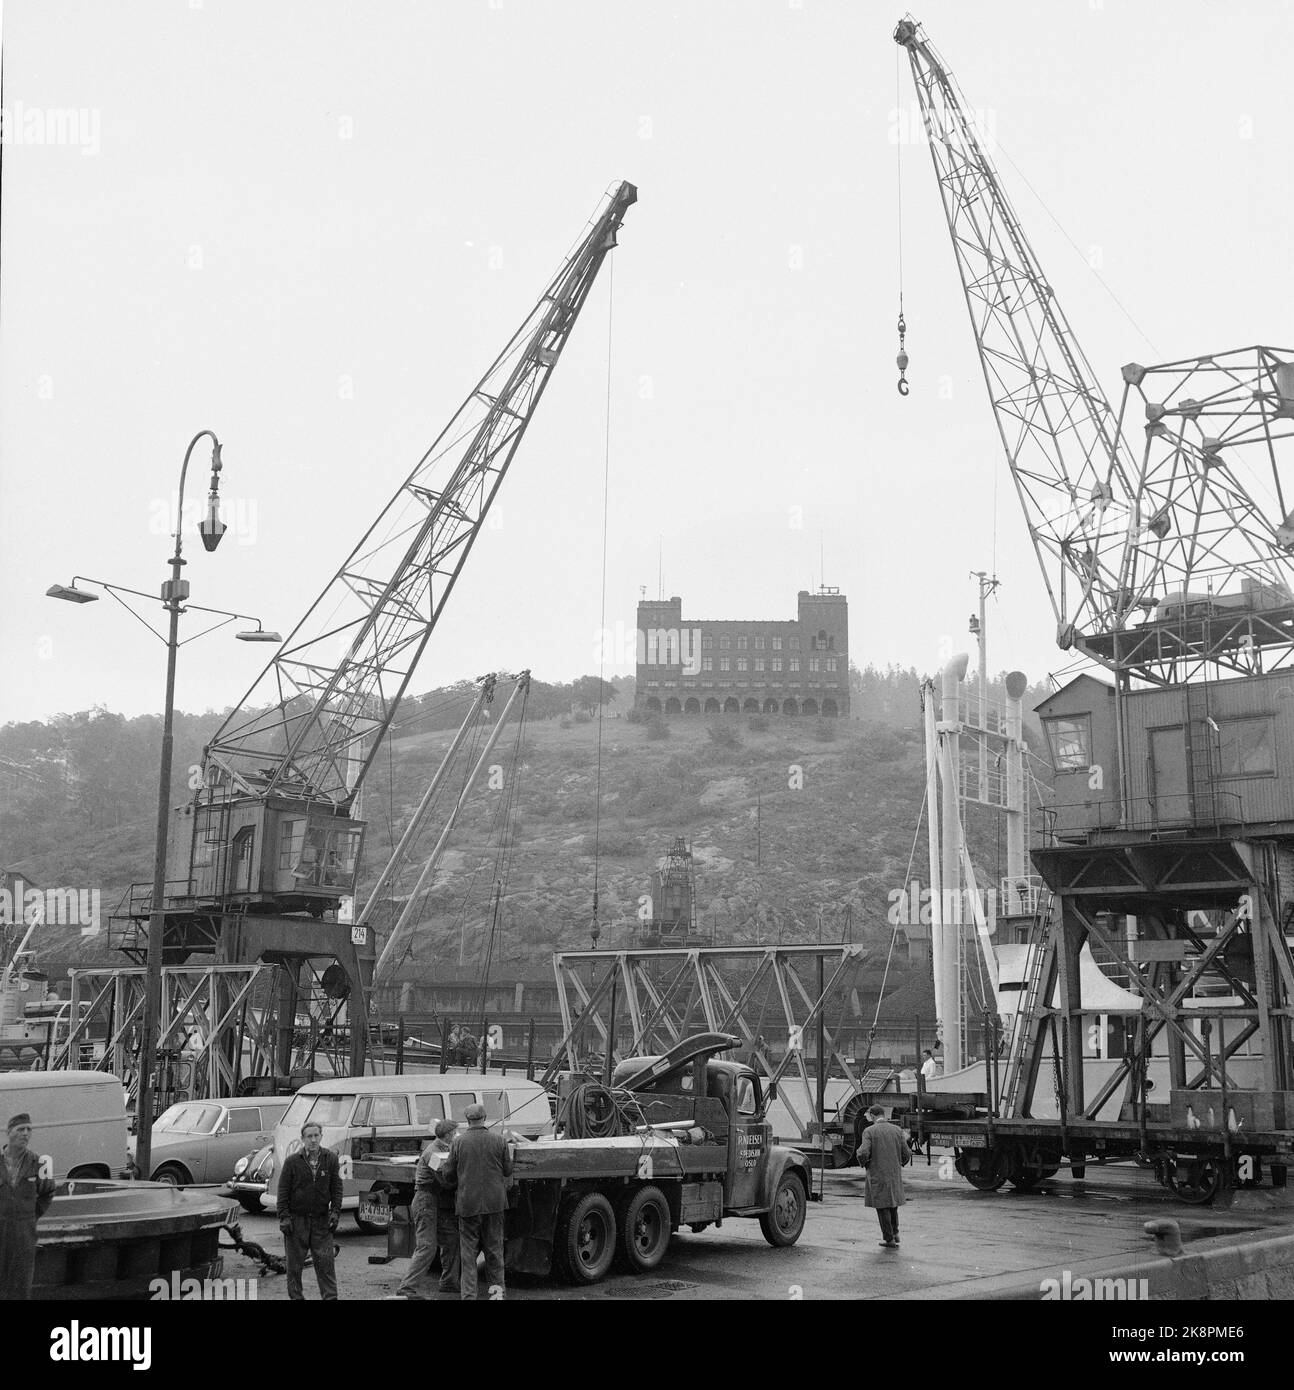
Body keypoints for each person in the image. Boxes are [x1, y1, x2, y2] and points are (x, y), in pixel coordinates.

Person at [442, 1102, 513, 1300]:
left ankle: (469, 1297)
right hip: (494, 1205)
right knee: (495, 1254)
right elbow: (508, 1170)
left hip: (468, 1205)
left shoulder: (458, 1142)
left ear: (467, 1121)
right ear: (485, 1118)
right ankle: (496, 1296)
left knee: (468, 1256)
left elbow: (448, 1174)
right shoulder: (499, 1141)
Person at [277, 1120, 342, 1300]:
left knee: (326, 1265)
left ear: (321, 1136)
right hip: (297, 1221)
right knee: (294, 1267)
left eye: (316, 1136)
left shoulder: (330, 1159)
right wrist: (284, 1217)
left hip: (322, 1221)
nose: (313, 1140)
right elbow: (282, 1191)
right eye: (309, 1136)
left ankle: (330, 1298)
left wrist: (335, 1212)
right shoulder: (292, 1162)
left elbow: (337, 1188)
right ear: (302, 1139)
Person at [395, 1118, 459, 1299]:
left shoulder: (445, 1149)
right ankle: (406, 1289)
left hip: (435, 1202)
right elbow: (445, 1181)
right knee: (427, 1247)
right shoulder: (433, 1153)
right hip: (426, 1201)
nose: (456, 1136)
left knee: (452, 1239)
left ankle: (449, 1282)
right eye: (455, 1133)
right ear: (448, 1135)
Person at [0, 1113, 56, 1300]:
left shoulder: (39, 1163)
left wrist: (32, 1215)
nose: (25, 1134)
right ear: (9, 1132)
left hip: (24, 1232)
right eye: (20, 1129)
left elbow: (48, 1192)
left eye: (28, 1129)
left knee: (21, 1281)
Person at [856, 1104, 911, 1249]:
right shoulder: (897, 1130)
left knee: (882, 1207)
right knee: (893, 1204)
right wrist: (899, 1164)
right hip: (893, 1174)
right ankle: (896, 1233)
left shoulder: (869, 1131)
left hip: (877, 1174)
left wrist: (865, 1164)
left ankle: (889, 1239)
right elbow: (907, 1153)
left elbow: (862, 1153)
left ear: (873, 1116)